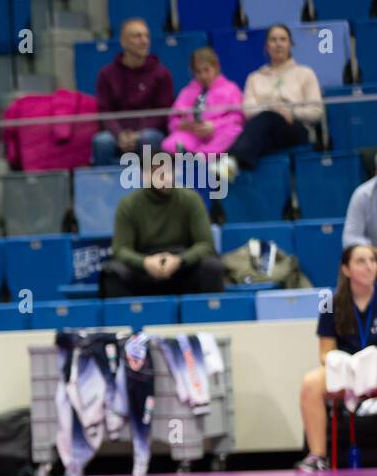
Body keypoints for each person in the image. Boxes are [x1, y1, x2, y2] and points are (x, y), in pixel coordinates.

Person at [99, 152, 224, 298]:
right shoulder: (128, 205)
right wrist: (144, 262)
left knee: (212, 267)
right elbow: (120, 249)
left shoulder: (191, 199)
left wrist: (180, 260)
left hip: (183, 266)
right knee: (112, 272)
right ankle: (126, 319)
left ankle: (210, 317)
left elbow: (206, 244)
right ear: (144, 175)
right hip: (145, 267)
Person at [297, 244, 377, 472]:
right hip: (345, 369)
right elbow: (325, 351)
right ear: (346, 269)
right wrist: (343, 363)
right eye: (361, 261)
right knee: (311, 383)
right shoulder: (329, 300)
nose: (369, 266)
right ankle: (318, 456)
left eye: (372, 260)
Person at [219, 24, 323, 185]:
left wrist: (291, 113)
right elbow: (248, 111)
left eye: (283, 39)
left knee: (267, 118)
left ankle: (230, 161)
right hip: (265, 131)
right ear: (267, 46)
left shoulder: (305, 73)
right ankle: (239, 169)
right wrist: (273, 109)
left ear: (290, 44)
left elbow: (316, 111)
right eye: (273, 40)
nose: (278, 44)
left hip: (295, 129)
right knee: (266, 120)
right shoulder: (254, 77)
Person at [93, 18, 173, 166]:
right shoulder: (106, 74)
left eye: (146, 36)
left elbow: (162, 113)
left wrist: (137, 135)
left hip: (148, 131)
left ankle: (153, 186)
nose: (144, 41)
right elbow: (105, 111)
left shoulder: (162, 74)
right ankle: (103, 186)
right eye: (137, 36)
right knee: (101, 142)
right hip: (118, 133)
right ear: (123, 42)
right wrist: (119, 135)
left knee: (149, 138)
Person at [161, 47, 243, 157]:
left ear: (216, 68)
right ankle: (198, 157)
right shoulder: (187, 91)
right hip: (192, 134)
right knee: (169, 144)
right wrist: (183, 125)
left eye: (206, 70)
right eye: (198, 72)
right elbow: (173, 120)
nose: (203, 76)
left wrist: (214, 126)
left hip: (219, 133)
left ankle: (201, 156)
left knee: (234, 132)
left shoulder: (230, 89)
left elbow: (237, 118)